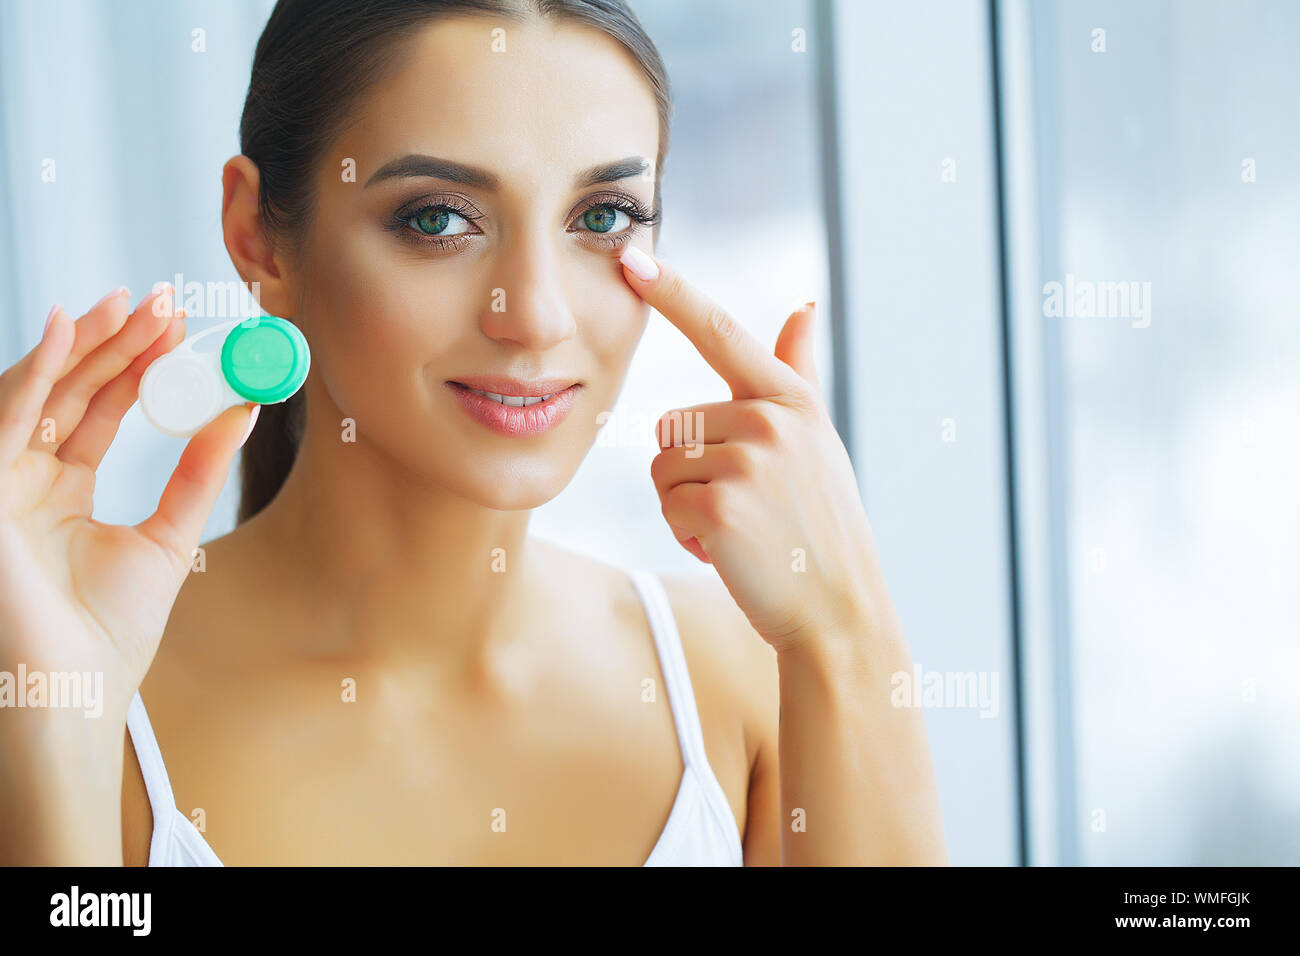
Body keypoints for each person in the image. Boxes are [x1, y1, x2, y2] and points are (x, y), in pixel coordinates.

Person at [0, 0, 946, 866]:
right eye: (440, 218)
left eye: (603, 217)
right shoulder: (86, 684)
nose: (533, 315)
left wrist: (846, 625)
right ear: (258, 237)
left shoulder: (739, 687)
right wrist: (55, 732)